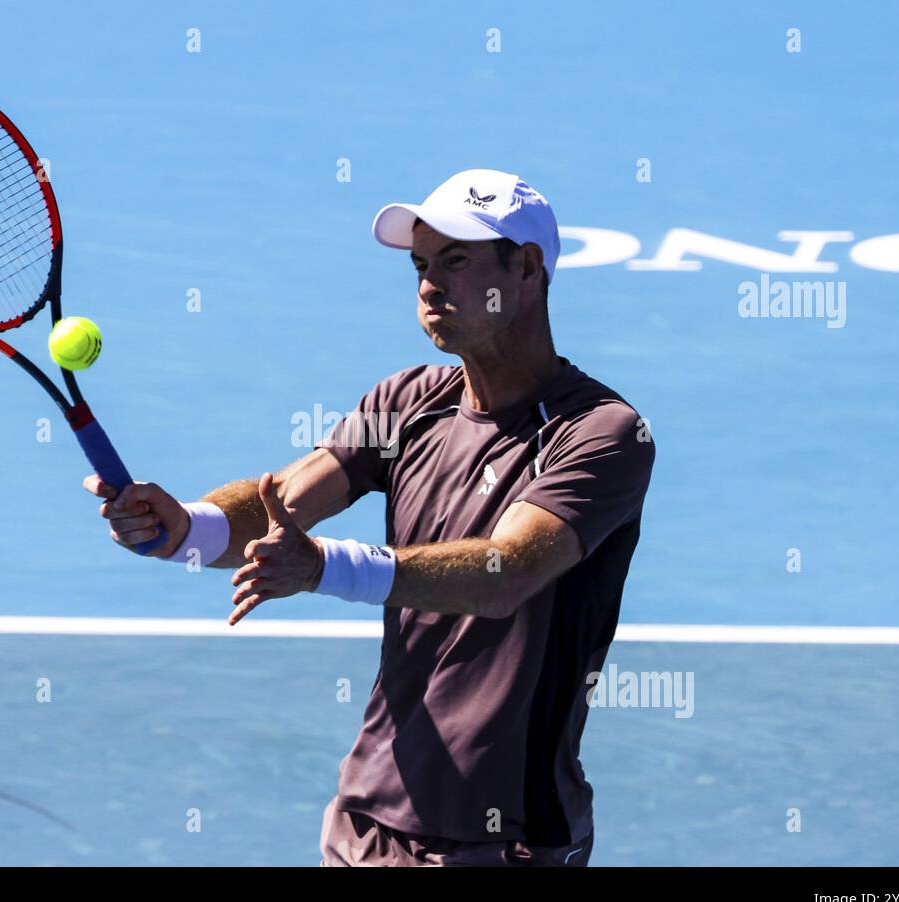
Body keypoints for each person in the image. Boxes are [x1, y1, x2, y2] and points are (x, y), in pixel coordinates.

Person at [84, 169, 655, 866]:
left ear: (528, 268)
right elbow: (282, 501)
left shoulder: (600, 432)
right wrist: (183, 529)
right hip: (365, 823)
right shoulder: (407, 402)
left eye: (455, 260)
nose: (427, 284)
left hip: (505, 841)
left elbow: (508, 573)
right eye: (420, 264)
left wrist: (325, 568)